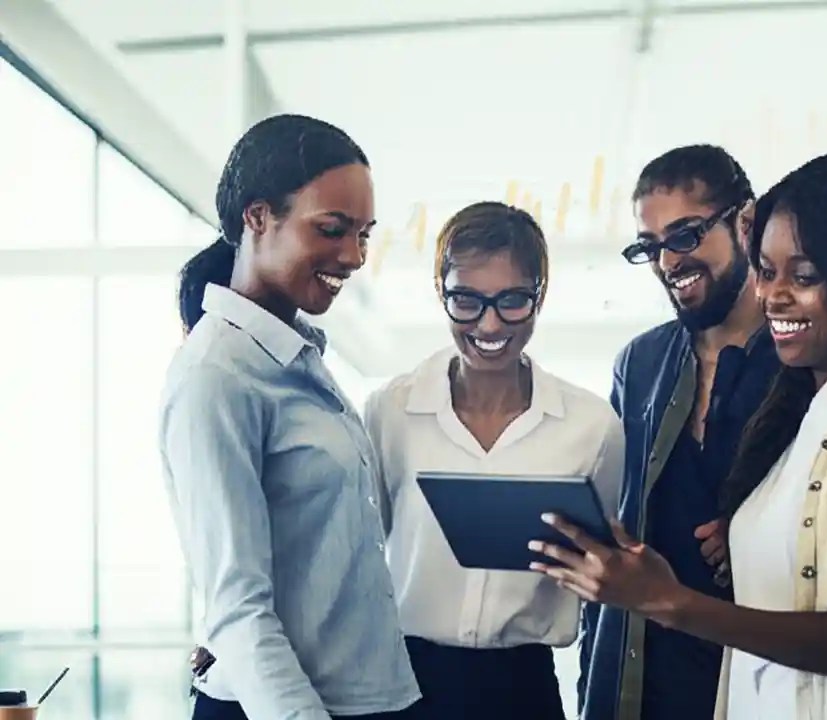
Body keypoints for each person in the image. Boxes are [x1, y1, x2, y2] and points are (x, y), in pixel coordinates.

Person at [532, 150, 827, 719]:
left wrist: (666, 599)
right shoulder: (805, 414)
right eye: (768, 271)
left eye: (803, 276)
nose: (773, 295)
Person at [160, 114, 421, 720]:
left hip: (365, 699)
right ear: (257, 217)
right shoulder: (216, 375)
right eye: (332, 229)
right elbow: (238, 607)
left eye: (364, 234)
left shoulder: (297, 359)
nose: (354, 256)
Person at [361, 201, 625, 719]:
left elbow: (600, 571)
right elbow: (356, 554)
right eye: (466, 300)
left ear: (539, 296)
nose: (489, 323)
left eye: (512, 300)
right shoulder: (391, 412)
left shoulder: (591, 427)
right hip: (407, 682)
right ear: (441, 291)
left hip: (523, 688)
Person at [577, 145, 780, 720]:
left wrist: (753, 528)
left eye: (686, 235)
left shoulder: (801, 355)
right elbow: (620, 528)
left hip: (762, 675)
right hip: (644, 684)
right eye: (651, 246)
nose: (668, 261)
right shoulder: (639, 364)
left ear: (746, 222)